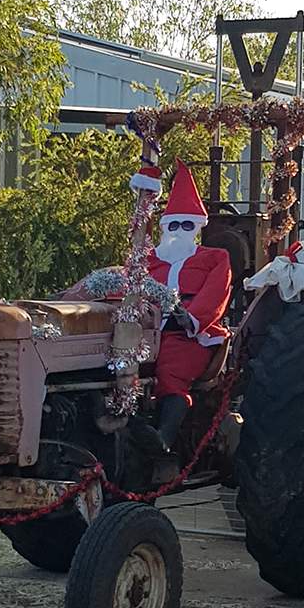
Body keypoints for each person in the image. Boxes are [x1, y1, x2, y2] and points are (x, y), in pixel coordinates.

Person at [132, 158, 233, 451]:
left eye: (187, 224)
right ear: (165, 226)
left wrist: (190, 317)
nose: (179, 230)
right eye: (173, 224)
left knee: (170, 367)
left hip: (190, 333)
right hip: (146, 329)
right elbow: (128, 285)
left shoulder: (213, 258)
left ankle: (164, 437)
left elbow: (216, 294)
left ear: (197, 228)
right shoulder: (148, 259)